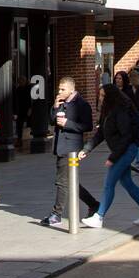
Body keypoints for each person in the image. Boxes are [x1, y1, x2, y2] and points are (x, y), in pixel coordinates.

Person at [78, 84, 139, 229]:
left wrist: (113, 158)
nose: (99, 98)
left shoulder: (121, 111)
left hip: (126, 151)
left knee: (109, 183)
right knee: (127, 183)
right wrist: (86, 149)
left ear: (110, 97)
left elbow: (126, 137)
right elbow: (101, 134)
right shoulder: (108, 111)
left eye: (102, 95)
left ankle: (99, 216)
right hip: (121, 151)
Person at [40, 75, 100, 227]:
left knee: (62, 181)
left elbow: (87, 126)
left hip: (71, 147)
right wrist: (54, 107)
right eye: (59, 88)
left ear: (71, 89)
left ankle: (56, 214)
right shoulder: (60, 102)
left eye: (62, 89)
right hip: (60, 146)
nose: (59, 91)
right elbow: (52, 121)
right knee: (71, 182)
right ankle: (94, 204)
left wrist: (68, 123)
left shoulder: (82, 104)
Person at [14, 75, 31, 149]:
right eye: (19, 82)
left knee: (29, 124)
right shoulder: (18, 90)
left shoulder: (29, 89)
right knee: (19, 125)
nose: (20, 83)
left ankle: (25, 139)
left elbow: (30, 99)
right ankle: (19, 139)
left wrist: (30, 108)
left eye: (21, 81)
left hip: (27, 108)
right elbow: (16, 101)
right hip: (20, 110)